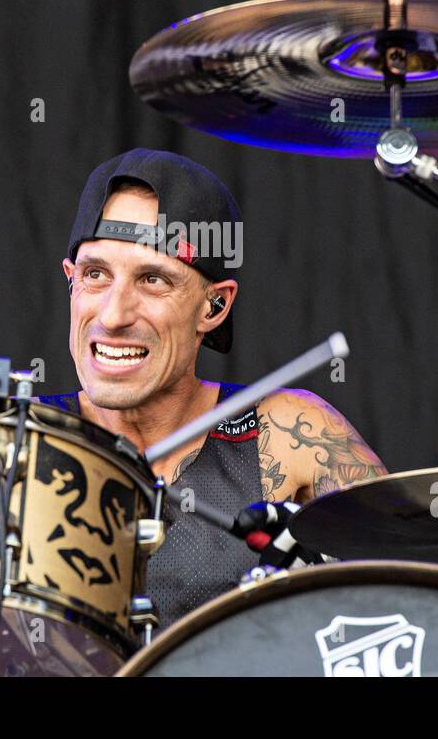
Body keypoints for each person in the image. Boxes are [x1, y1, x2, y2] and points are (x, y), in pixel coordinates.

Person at [39, 148, 387, 628]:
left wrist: (328, 591)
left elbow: (416, 617)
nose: (114, 315)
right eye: (95, 274)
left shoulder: (290, 435)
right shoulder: (14, 442)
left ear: (214, 307)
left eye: (153, 279)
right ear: (70, 280)